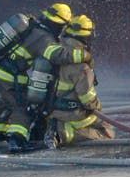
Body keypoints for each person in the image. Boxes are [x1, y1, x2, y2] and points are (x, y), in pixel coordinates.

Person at [0, 2, 90, 152]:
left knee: (6, 99)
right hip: (4, 76)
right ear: (59, 24)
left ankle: (0, 131)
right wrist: (84, 55)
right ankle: (17, 141)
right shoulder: (44, 38)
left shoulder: (29, 25)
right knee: (21, 106)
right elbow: (58, 55)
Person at [49, 14, 115, 147]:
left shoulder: (54, 51)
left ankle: (53, 127)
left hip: (47, 110)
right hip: (70, 113)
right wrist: (97, 107)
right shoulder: (81, 67)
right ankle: (63, 134)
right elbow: (86, 98)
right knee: (107, 131)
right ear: (86, 38)